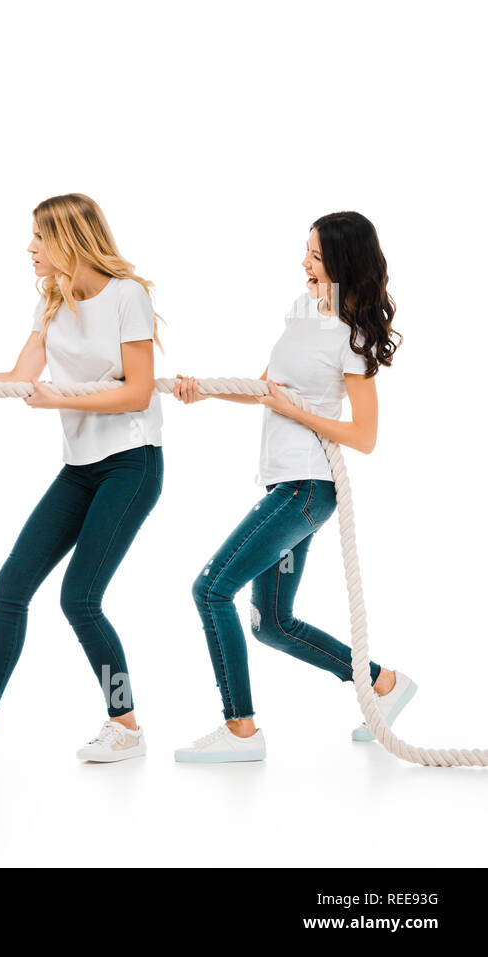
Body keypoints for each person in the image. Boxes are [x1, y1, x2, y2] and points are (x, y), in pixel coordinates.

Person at [0, 193, 165, 762]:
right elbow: (20, 377)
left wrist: (56, 403)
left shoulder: (129, 296)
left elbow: (139, 391)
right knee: (13, 584)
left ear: (70, 239)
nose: (30, 248)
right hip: (79, 469)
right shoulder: (52, 303)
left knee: (80, 598)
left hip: (132, 463)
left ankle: (127, 725)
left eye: (39, 238)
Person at [173, 211, 413, 763]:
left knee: (211, 589)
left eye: (315, 256)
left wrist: (292, 409)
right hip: (286, 485)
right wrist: (205, 390)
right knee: (274, 624)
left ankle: (240, 732)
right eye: (305, 251)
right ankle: (382, 684)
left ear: (342, 263)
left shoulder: (353, 337)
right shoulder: (304, 314)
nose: (303, 263)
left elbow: (365, 436)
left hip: (307, 490)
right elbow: (265, 389)